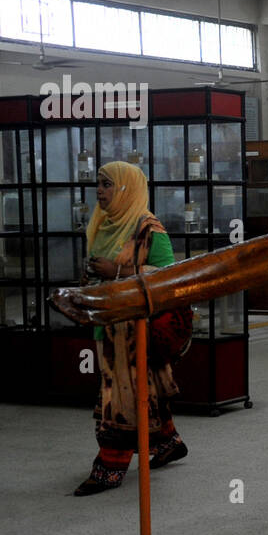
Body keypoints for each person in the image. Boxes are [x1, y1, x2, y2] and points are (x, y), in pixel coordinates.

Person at [73, 161, 189, 496]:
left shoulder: (150, 230)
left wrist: (117, 274)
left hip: (136, 332)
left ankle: (110, 465)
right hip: (107, 324)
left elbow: (170, 281)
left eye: (108, 184)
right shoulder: (104, 224)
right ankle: (168, 441)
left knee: (120, 396)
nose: (99, 191)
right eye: (98, 183)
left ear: (127, 189)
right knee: (145, 388)